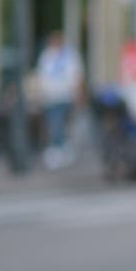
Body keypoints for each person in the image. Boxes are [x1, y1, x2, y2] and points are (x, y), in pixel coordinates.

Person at [36, 32, 83, 169]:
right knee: (55, 124)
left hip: (65, 96)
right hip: (50, 97)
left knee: (58, 123)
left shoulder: (69, 55)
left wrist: (78, 93)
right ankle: (61, 149)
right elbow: (42, 76)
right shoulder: (46, 55)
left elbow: (76, 75)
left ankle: (59, 151)